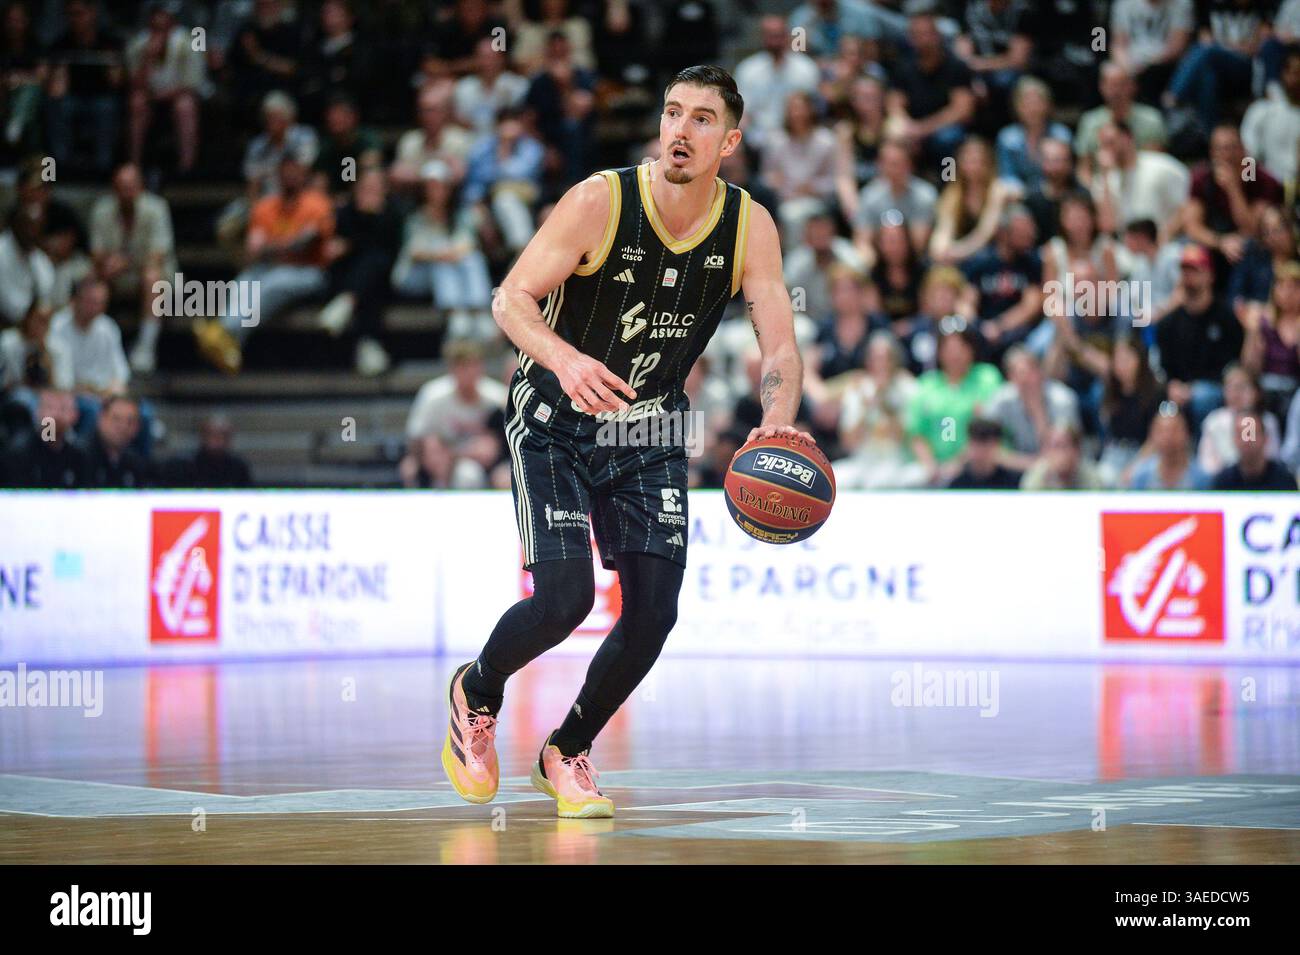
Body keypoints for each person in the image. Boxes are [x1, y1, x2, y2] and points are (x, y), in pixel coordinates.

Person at [441, 66, 814, 818]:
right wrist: (566, 358)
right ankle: (477, 690)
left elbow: (778, 347)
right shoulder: (599, 200)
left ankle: (567, 748)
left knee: (653, 614)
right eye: (673, 113)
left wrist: (779, 414)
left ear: (730, 140)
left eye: (702, 119)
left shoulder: (751, 226)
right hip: (554, 417)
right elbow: (510, 297)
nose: (680, 130)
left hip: (648, 425)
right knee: (566, 599)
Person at [195, 154, 335, 374]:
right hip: (271, 268)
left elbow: (306, 244)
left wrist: (274, 246)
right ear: (278, 175)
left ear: (303, 175)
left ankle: (223, 333)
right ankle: (228, 343)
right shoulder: (265, 206)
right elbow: (254, 249)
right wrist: (286, 245)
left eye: (294, 172)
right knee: (242, 282)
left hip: (310, 272)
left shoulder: (317, 203)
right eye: (285, 172)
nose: (290, 176)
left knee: (273, 282)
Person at [1155, 243, 1244, 427]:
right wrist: (1172, 385)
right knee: (1161, 402)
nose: (1188, 276)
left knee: (1202, 397)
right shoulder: (1169, 323)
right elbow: (1165, 367)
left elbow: (1233, 362)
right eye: (1185, 270)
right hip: (1180, 390)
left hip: (1216, 388)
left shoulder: (1226, 316)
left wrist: (1192, 389)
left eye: (1195, 270)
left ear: (1210, 275)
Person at [906, 318, 1003, 484]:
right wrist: (930, 466)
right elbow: (916, 433)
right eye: (948, 348)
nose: (955, 354)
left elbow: (988, 430)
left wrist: (958, 463)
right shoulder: (926, 384)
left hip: (977, 465)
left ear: (971, 349)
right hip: (932, 466)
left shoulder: (987, 378)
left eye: (961, 347)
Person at [1126, 402, 1209, 490]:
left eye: (1174, 430)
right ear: (1152, 435)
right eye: (1161, 431)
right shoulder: (1142, 477)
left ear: (1186, 433)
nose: (1168, 436)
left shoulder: (1201, 478)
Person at [1210, 409, 1299, 490]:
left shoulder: (1284, 480)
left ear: (1266, 438)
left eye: (1252, 434)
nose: (1247, 441)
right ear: (1233, 439)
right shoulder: (1222, 482)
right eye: (1242, 435)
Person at [84, 392, 150, 488]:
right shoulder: (79, 459)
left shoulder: (137, 463)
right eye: (116, 419)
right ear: (101, 419)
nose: (123, 427)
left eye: (130, 421)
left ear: (138, 427)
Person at [1020, 423, 1103, 489]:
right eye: (1054, 446)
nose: (1059, 453)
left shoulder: (1091, 476)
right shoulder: (1035, 476)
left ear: (1077, 450)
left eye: (1063, 446)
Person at [948, 416, 1022, 489]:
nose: (980, 452)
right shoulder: (957, 482)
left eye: (985, 445)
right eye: (976, 445)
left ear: (997, 445)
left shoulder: (1013, 482)